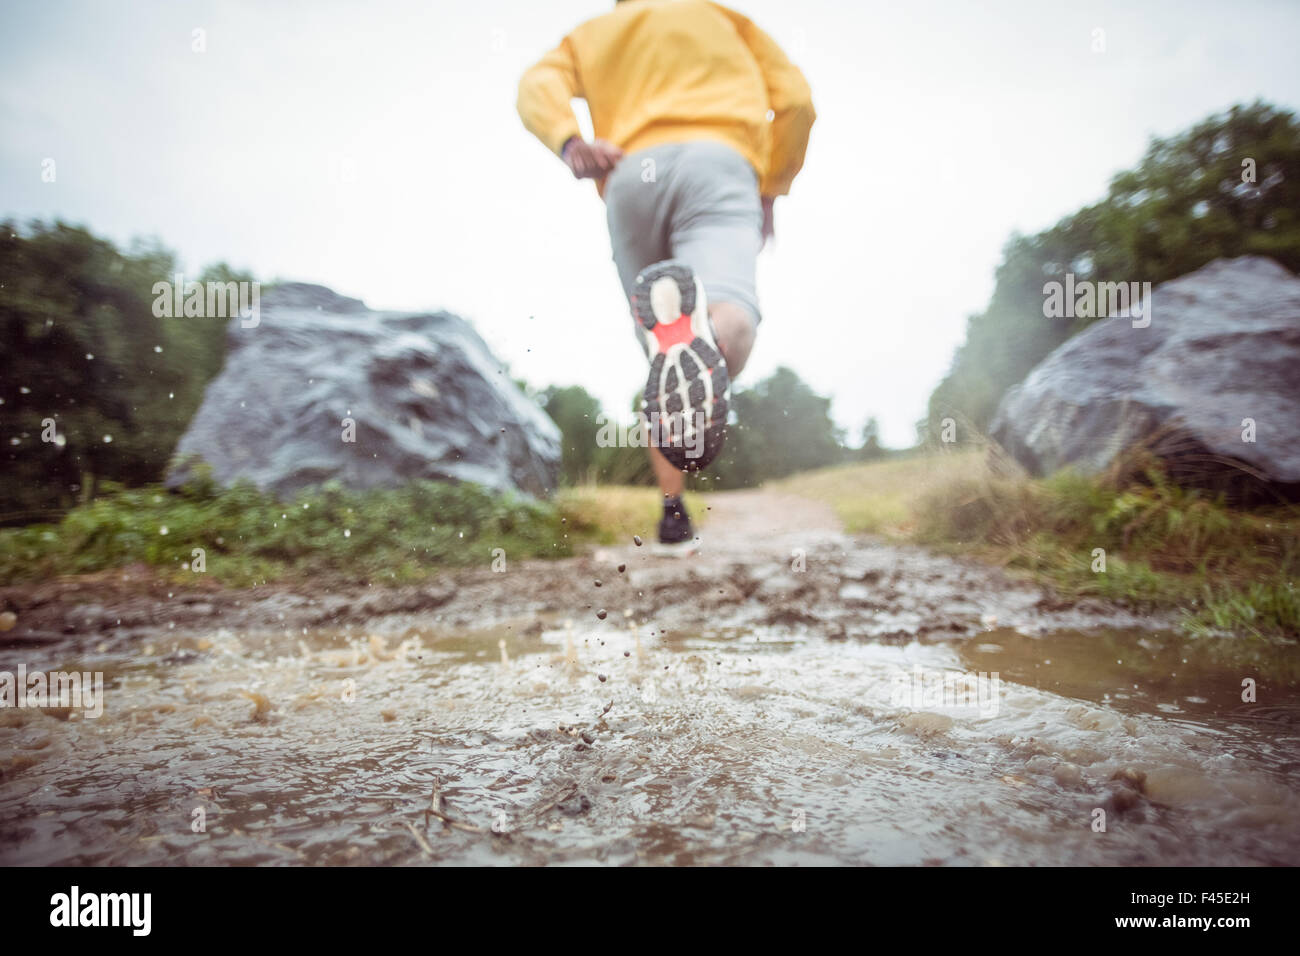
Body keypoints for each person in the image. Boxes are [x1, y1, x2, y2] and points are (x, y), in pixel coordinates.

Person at [517, 0, 815, 552]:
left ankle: (673, 512)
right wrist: (774, 186)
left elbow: (535, 84)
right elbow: (796, 101)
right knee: (727, 315)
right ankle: (712, 343)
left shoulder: (595, 32)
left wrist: (570, 141)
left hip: (628, 172)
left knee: (664, 353)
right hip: (717, 166)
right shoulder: (727, 22)